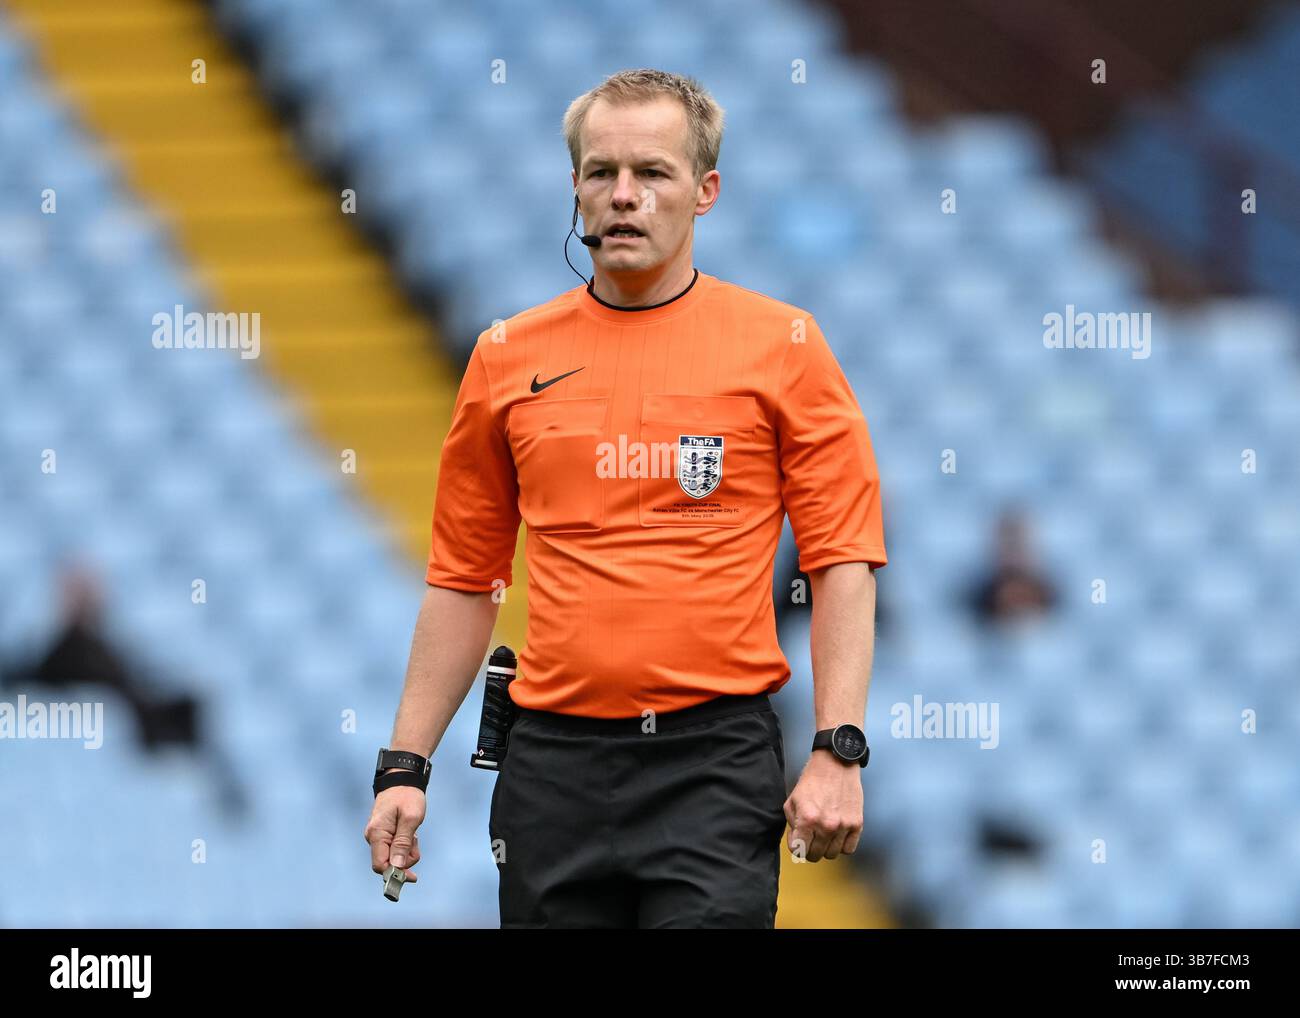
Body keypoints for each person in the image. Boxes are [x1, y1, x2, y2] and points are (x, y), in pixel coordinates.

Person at [364, 68, 888, 928]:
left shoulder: (785, 348)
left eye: (653, 173)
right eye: (601, 172)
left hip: (712, 764)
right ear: (574, 187)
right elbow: (464, 579)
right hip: (551, 767)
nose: (623, 195)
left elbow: (841, 560)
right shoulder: (504, 358)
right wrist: (404, 766)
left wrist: (839, 748)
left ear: (705, 192)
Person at [967, 509, 1057, 624]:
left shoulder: (1050, 595)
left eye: (1018, 544)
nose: (1013, 552)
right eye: (1007, 544)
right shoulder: (975, 599)